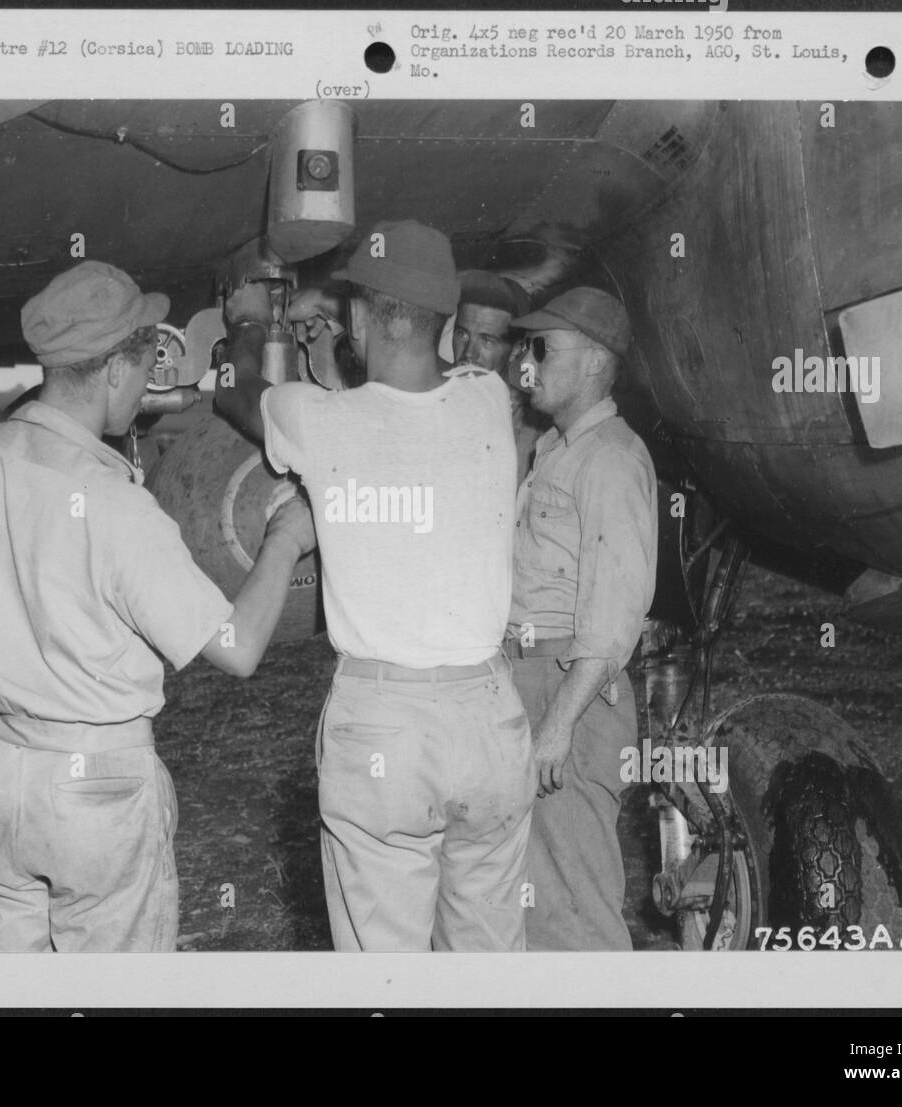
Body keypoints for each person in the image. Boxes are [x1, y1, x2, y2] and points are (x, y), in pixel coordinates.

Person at [0, 260, 315, 952]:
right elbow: (237, 647)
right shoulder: (117, 503)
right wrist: (284, 536)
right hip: (99, 796)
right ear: (119, 373)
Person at [215, 220, 534, 952]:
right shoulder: (489, 401)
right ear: (448, 323)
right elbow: (425, 395)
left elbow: (238, 390)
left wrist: (246, 323)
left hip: (386, 728)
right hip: (490, 719)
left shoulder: (320, 421)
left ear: (359, 317)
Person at [504, 287, 658, 951]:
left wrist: (558, 725)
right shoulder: (557, 450)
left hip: (573, 695)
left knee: (576, 912)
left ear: (594, 361)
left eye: (546, 349)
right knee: (538, 904)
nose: (529, 363)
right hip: (534, 679)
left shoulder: (612, 460)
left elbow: (614, 614)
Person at [451, 270, 547, 486]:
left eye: (486, 341)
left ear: (515, 350)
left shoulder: (532, 429)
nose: (468, 353)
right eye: (462, 334)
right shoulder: (428, 401)